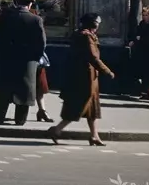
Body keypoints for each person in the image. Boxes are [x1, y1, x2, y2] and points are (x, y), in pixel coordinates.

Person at [48, 13, 115, 146]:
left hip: (87, 77)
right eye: (97, 23)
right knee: (78, 106)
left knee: (92, 109)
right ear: (92, 24)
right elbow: (93, 58)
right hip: (84, 78)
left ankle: (94, 136)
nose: (98, 26)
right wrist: (107, 71)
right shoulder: (86, 37)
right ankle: (56, 129)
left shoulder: (83, 35)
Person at [0, 0, 46, 125]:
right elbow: (41, 43)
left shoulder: (6, 17)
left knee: (4, 88)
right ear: (30, 4)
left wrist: (2, 54)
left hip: (7, 59)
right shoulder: (35, 20)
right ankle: (20, 119)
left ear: (16, 3)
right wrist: (35, 58)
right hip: (27, 61)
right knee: (25, 90)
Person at [128, 7, 149, 100]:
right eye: (144, 15)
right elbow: (137, 34)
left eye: (147, 15)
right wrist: (134, 40)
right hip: (142, 51)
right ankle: (145, 92)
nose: (145, 17)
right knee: (144, 73)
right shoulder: (142, 24)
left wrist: (141, 38)